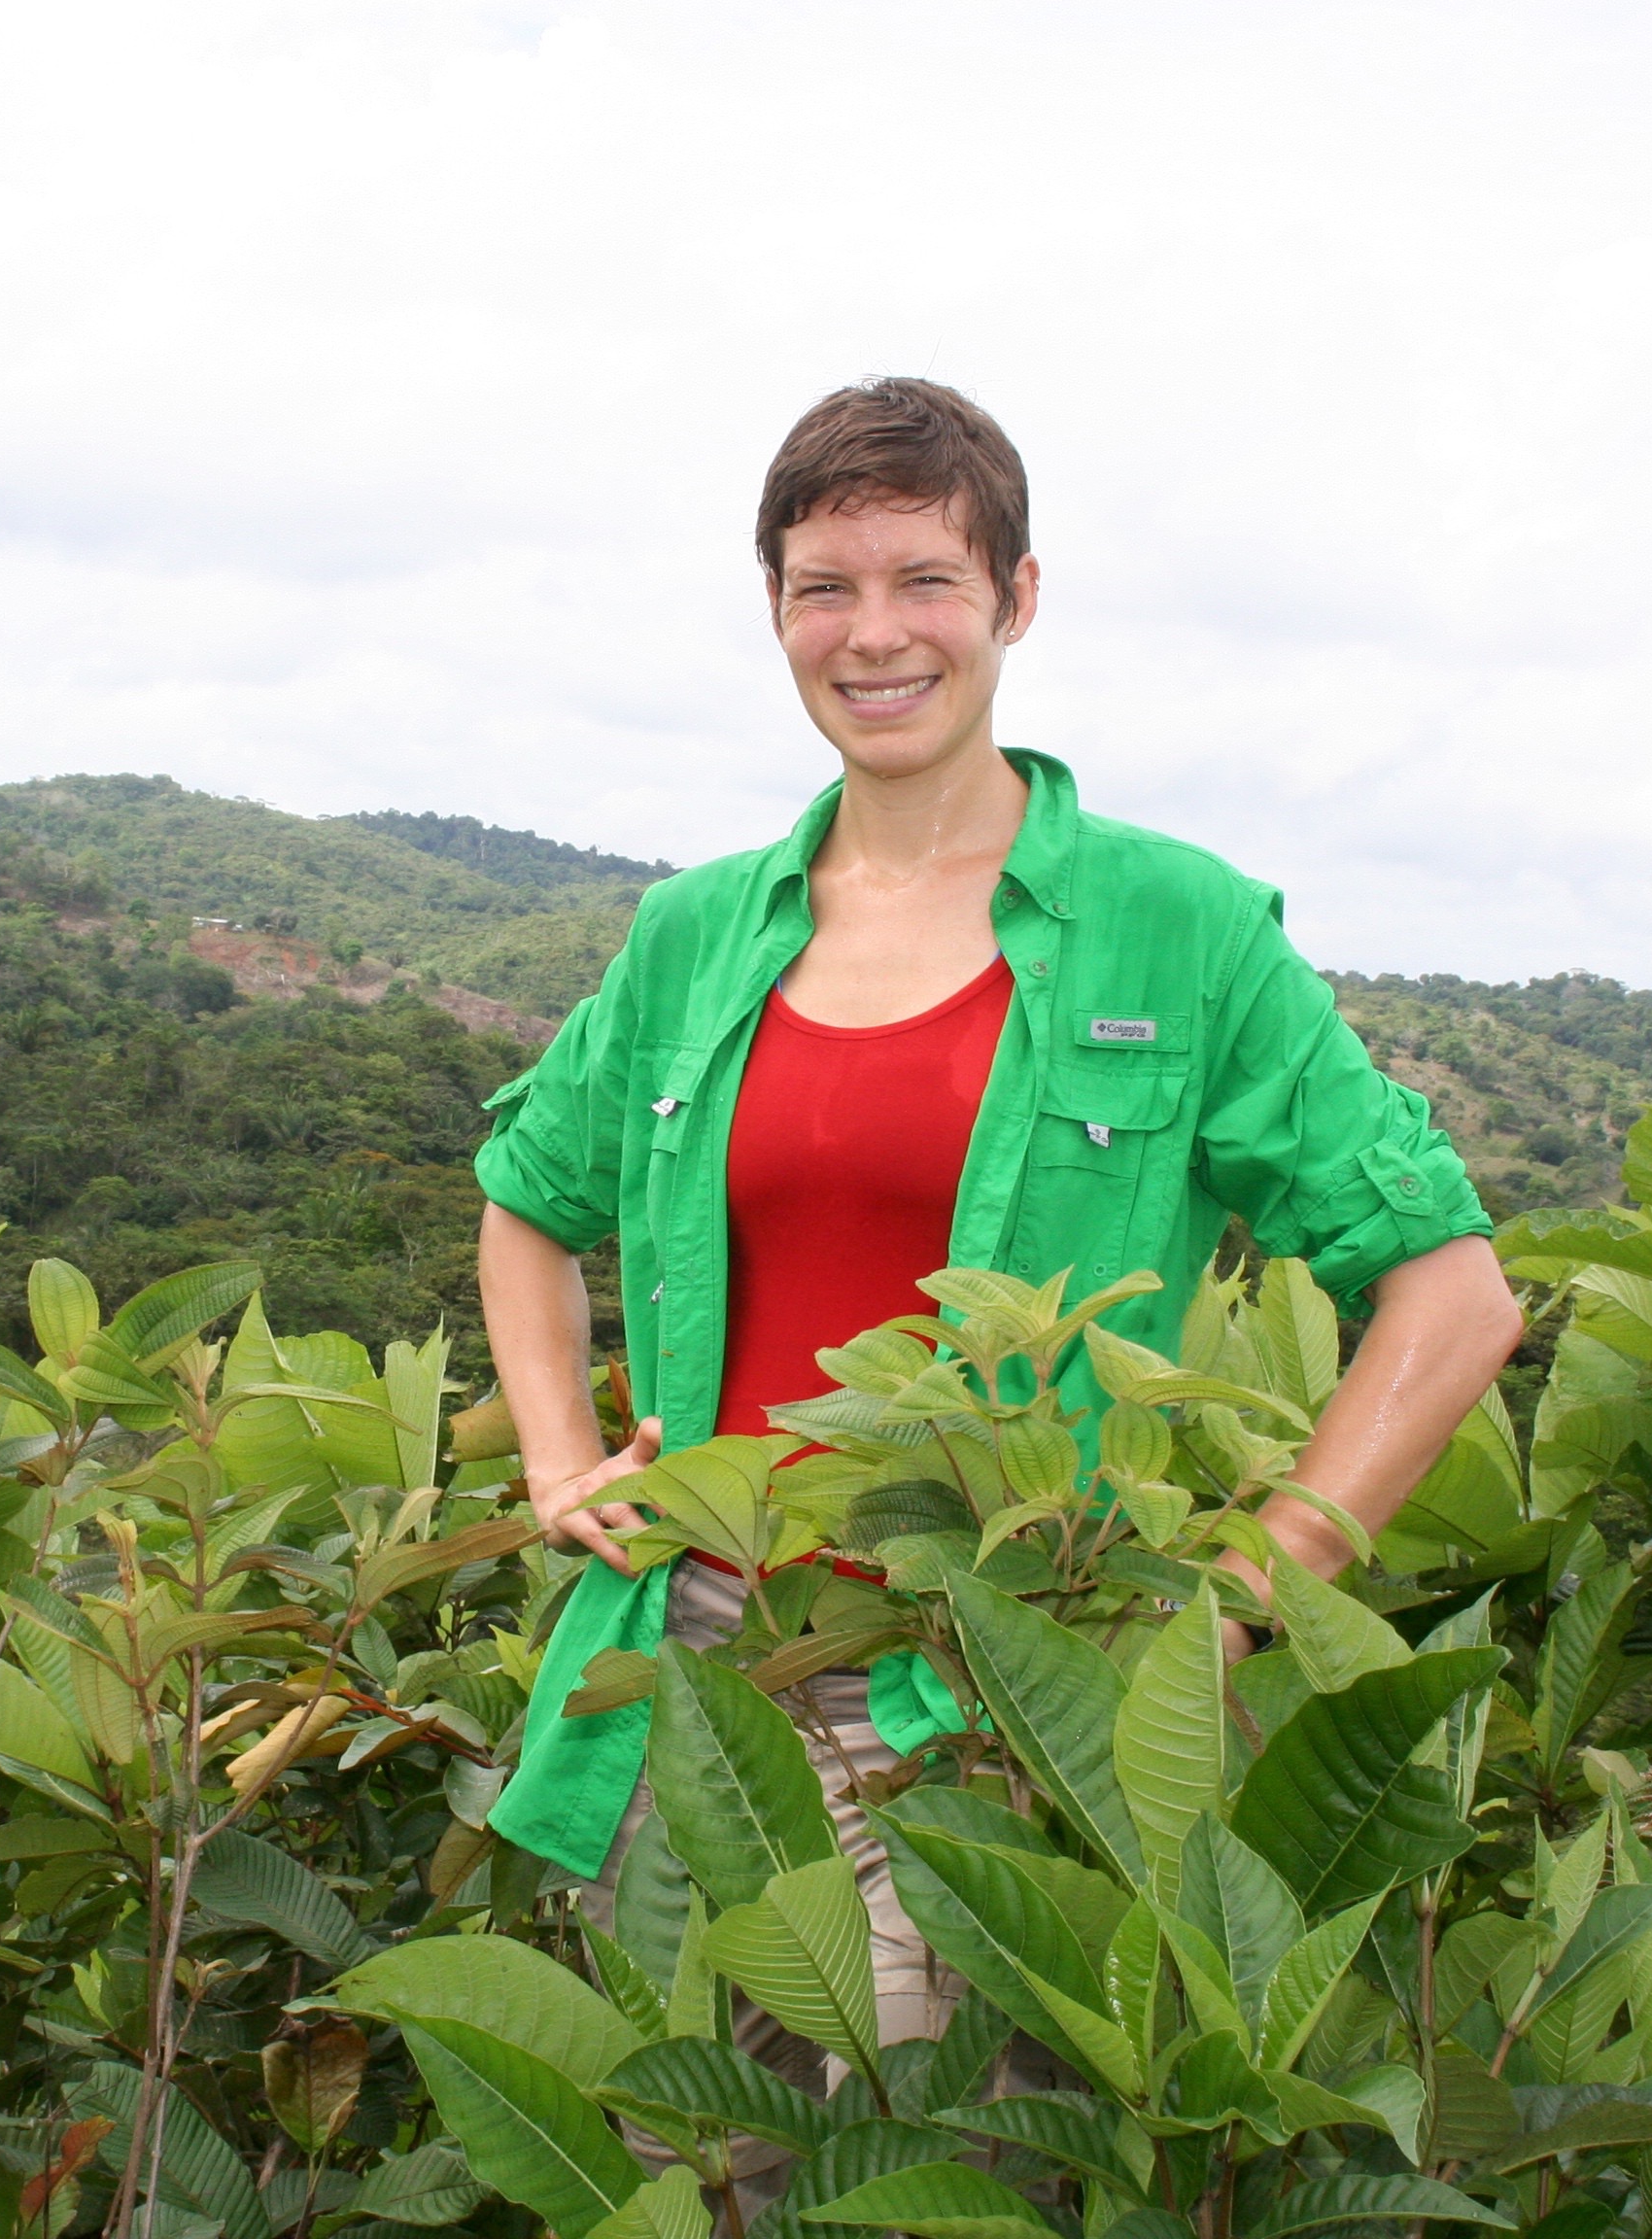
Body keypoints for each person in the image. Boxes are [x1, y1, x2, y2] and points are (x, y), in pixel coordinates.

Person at [467, 377, 1526, 2144]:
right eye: (824, 587)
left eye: (925, 581)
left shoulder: (1173, 923)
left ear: (1017, 599)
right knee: (687, 2145)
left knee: (915, 2154)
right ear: (778, 613)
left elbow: (1454, 1290)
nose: (873, 635)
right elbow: (526, 1194)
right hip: (688, 1665)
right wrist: (559, 1455)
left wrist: (1254, 1585)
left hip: (984, 1678)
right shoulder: (693, 931)